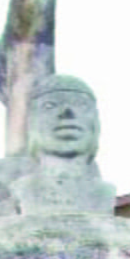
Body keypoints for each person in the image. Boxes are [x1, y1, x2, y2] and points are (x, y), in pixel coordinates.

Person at [10, 74, 115, 216]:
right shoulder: (22, 190)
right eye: (50, 105)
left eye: (81, 105)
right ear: (31, 123)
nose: (68, 112)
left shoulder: (105, 192)